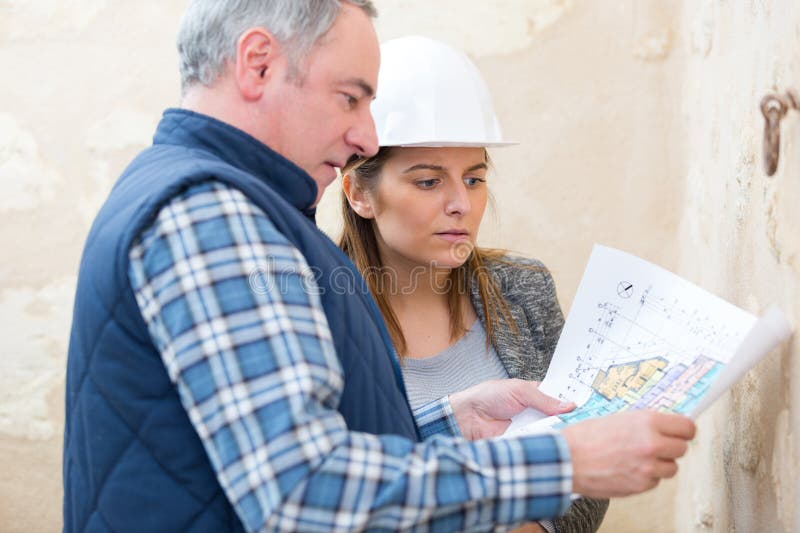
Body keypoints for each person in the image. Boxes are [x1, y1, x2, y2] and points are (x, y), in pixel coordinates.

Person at [63, 2, 696, 532]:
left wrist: (447, 420)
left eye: (475, 178)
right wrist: (560, 464)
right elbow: (302, 493)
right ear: (258, 64)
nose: (365, 137)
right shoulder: (211, 214)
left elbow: (280, 457)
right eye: (350, 98)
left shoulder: (214, 199)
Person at [339, 35, 607, 533]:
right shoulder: (317, 314)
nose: (461, 203)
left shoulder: (522, 288)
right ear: (360, 193)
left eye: (475, 178)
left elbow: (585, 456)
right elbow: (320, 492)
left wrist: (533, 530)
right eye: (428, 181)